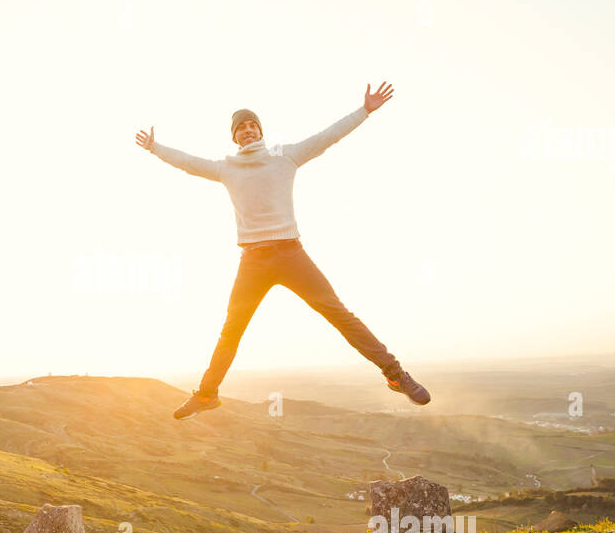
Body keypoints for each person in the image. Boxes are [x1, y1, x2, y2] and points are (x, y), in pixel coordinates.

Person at [135, 82, 430, 419]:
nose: (247, 130)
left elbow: (328, 136)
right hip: (253, 261)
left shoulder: (285, 156)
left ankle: (396, 375)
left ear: (260, 131)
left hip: (291, 255)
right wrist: (155, 148)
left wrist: (364, 111)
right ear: (234, 137)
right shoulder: (226, 168)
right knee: (231, 329)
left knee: (338, 313)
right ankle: (206, 395)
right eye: (241, 128)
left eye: (252, 125)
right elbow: (187, 162)